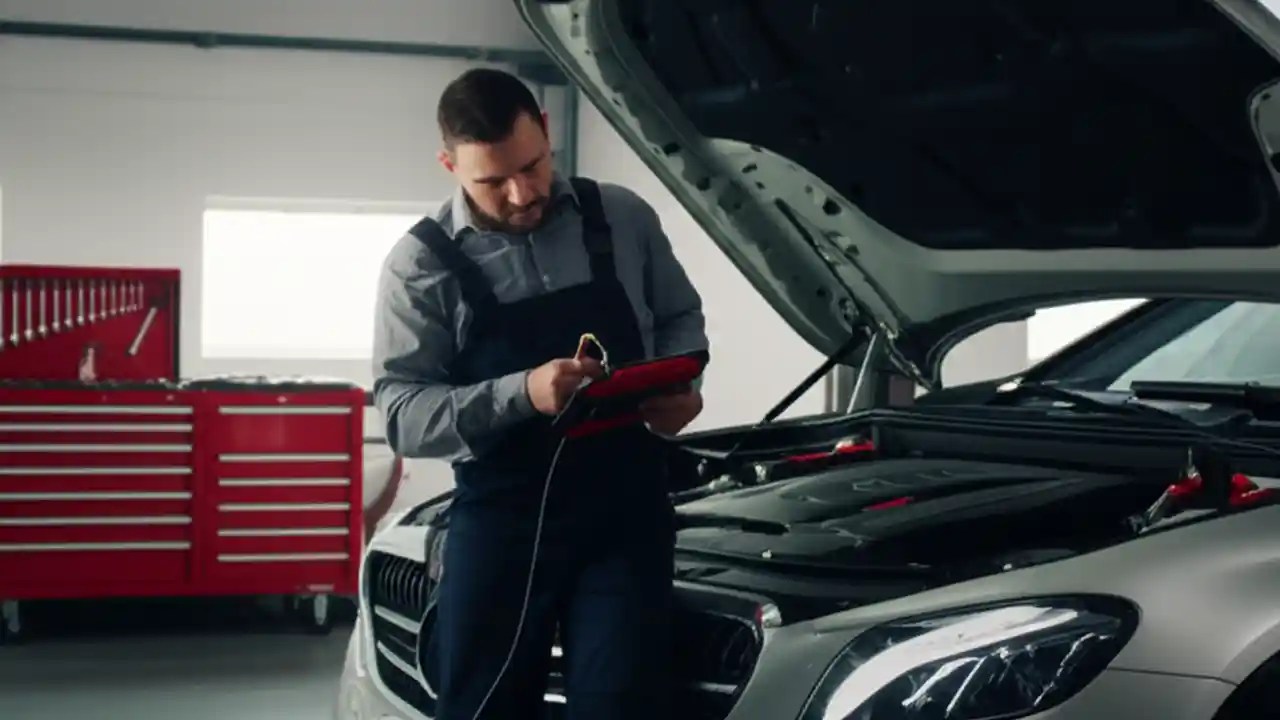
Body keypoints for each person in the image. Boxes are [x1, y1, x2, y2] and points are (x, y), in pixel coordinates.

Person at [371, 67, 708, 720]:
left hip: (627, 514)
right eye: (492, 181)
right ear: (448, 164)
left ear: (548, 132)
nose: (523, 193)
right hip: (503, 522)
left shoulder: (623, 217)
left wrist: (683, 383)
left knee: (621, 707)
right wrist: (520, 393)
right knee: (483, 707)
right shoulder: (420, 268)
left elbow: (679, 317)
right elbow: (403, 416)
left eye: (532, 165)